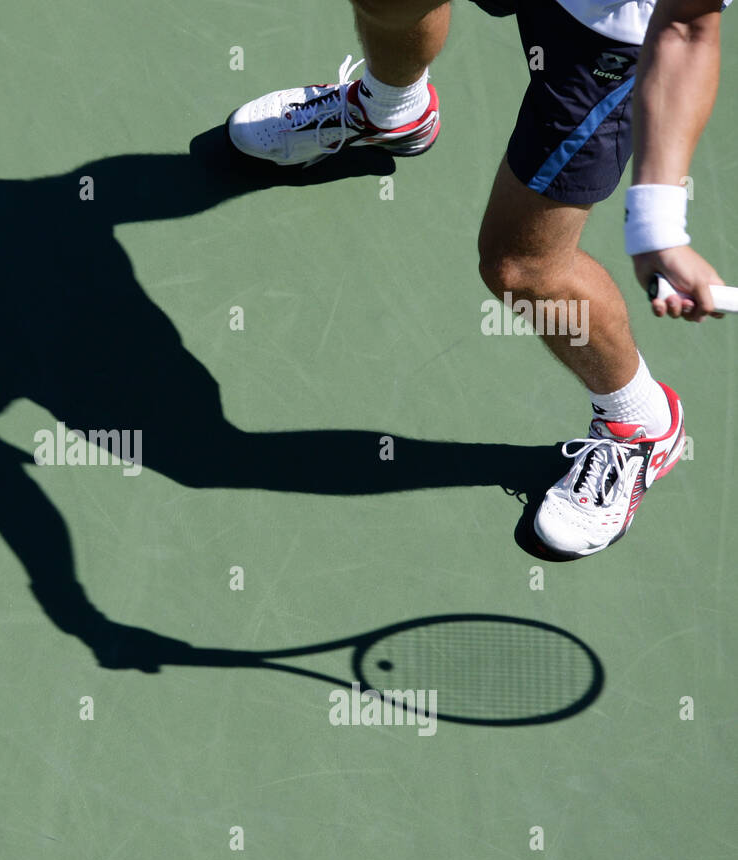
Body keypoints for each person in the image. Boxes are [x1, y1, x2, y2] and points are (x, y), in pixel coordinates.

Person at [227, 0, 727, 559]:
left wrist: (659, 221)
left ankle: (639, 422)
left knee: (522, 266)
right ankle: (389, 109)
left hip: (602, 36)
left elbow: (685, 26)